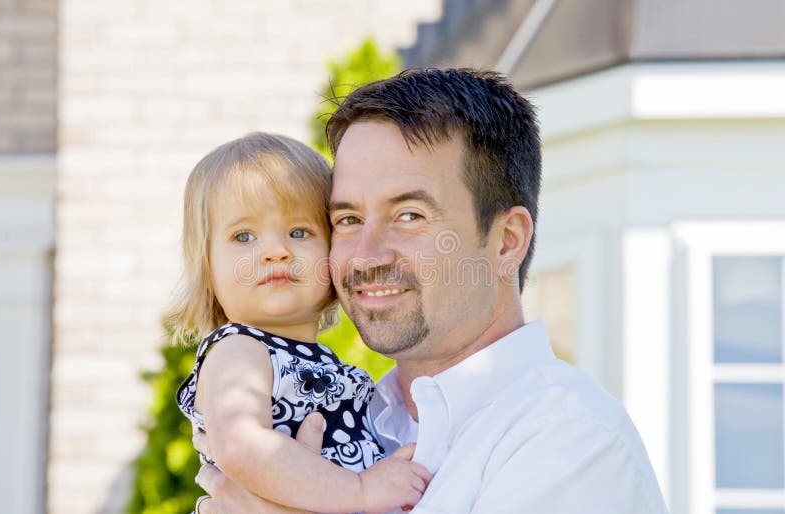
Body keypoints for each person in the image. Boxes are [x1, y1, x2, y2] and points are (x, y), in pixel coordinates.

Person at [193, 68, 669, 513]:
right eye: (348, 219)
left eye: (409, 216)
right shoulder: (357, 415)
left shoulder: (570, 440)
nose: (367, 255)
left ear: (506, 241)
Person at [167, 132, 432, 514]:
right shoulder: (238, 349)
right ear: (207, 267)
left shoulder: (322, 362)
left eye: (299, 232)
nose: (276, 251)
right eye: (243, 236)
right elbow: (241, 445)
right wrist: (357, 490)